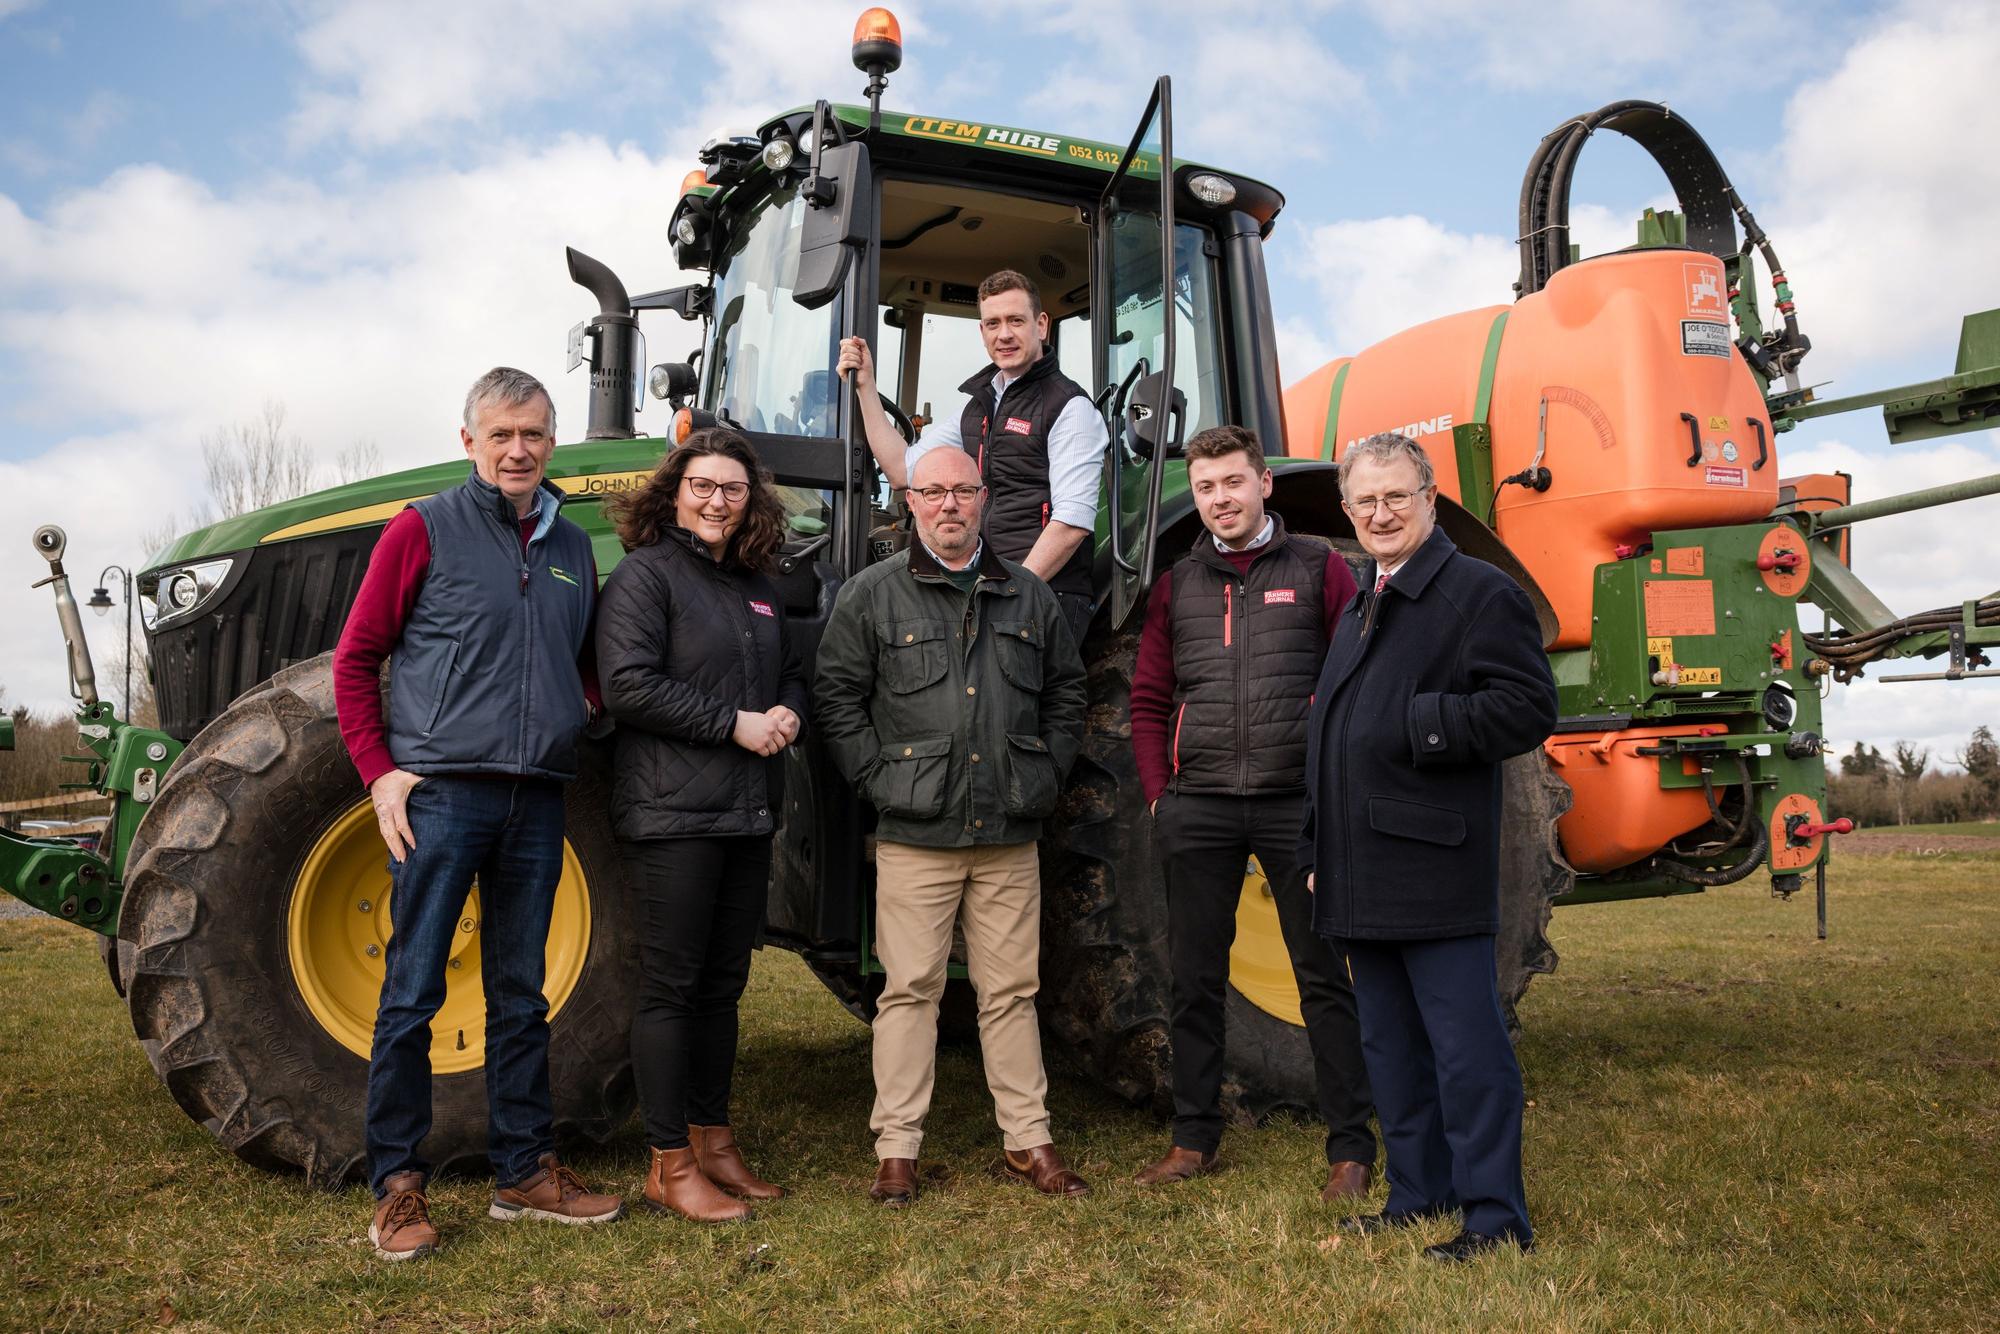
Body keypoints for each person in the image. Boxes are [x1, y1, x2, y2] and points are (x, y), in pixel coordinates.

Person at [333, 366, 624, 1262]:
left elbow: (581, 661)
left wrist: (580, 708)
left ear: (552, 440)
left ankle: (524, 1172)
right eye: (500, 434)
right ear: (470, 443)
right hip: (443, 796)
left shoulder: (575, 547)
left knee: (520, 996)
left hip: (537, 798)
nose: (518, 449)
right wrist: (381, 772)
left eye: (533, 433)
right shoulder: (424, 528)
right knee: (413, 992)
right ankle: (399, 1187)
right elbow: (357, 659)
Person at [1300, 432, 1558, 1262]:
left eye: (1395, 498)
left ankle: (1494, 1220)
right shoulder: (1361, 598)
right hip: (1358, 869)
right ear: (1348, 510)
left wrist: (1422, 722)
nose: (1380, 514)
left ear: (1430, 497)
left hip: (1434, 865)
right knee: (1390, 1049)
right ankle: (1419, 1193)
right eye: (1365, 502)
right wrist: (1315, 849)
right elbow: (1331, 738)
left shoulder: (1477, 592)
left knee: (1466, 1052)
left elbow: (1525, 708)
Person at [813, 445, 1091, 1205]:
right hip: (917, 831)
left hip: (1007, 831)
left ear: (984, 498)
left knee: (1010, 992)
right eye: (931, 492)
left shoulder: (1029, 597)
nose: (948, 506)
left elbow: (1068, 693)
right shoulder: (873, 596)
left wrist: (1046, 769)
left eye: (962, 491)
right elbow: (836, 699)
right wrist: (876, 778)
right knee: (910, 991)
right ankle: (897, 1149)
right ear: (910, 502)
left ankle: (1028, 1141)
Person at [1126, 425, 1377, 1200]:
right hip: (1198, 804)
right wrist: (1160, 796)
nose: (1220, 500)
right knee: (1194, 979)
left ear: (1264, 484)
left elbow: (1356, 681)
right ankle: (1194, 1139)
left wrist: (1332, 793)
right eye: (1205, 488)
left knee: (1321, 977)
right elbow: (1148, 698)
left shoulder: (1319, 567)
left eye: (1232, 482)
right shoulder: (1177, 584)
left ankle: (1350, 1147)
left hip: (1292, 805)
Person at [595, 428, 807, 1223]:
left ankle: (715, 1142)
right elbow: (628, 685)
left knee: (724, 988)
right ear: (675, 491)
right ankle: (667, 1161)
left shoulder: (753, 584)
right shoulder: (647, 576)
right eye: (703, 486)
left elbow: (787, 668)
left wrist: (789, 708)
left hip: (745, 813)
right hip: (673, 815)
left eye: (733, 489)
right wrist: (734, 725)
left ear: (751, 500)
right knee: (671, 988)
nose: (718, 500)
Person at [837, 268, 1106, 646]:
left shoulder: (1070, 408)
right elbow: (902, 470)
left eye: (1016, 320)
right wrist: (866, 386)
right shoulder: (978, 407)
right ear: (982, 332)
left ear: (1041, 325)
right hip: (989, 590)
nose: (1004, 334)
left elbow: (1073, 522)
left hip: (1044, 597)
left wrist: (1012, 594)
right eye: (993, 323)